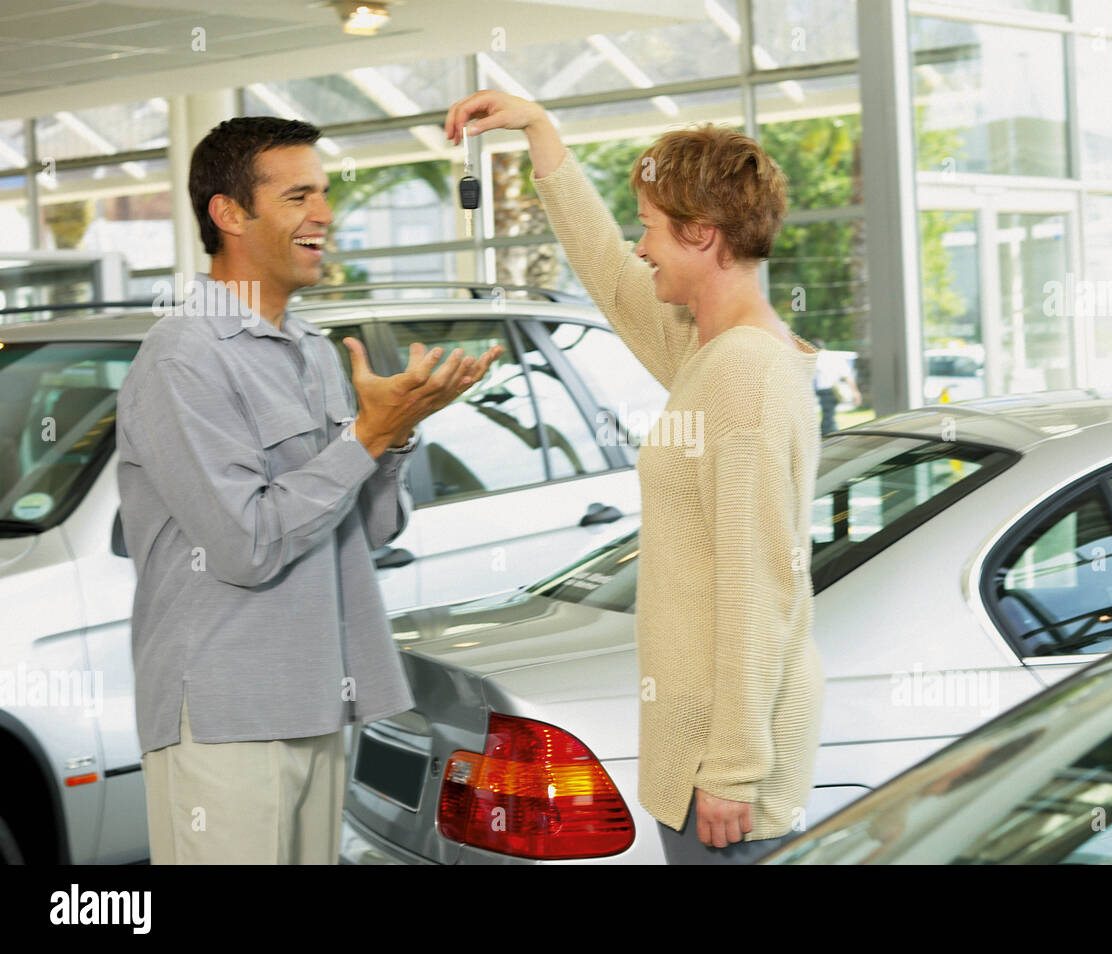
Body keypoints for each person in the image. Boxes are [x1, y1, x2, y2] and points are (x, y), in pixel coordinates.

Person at [445, 91, 825, 864]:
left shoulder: (742, 378)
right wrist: (540, 132)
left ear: (701, 234)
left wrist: (733, 769)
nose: (641, 245)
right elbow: (609, 273)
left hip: (726, 780)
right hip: (703, 762)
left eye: (650, 227)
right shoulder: (707, 348)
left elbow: (758, 583)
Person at [116, 117, 500, 864]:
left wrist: (395, 432)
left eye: (323, 193)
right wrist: (365, 437)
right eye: (299, 196)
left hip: (318, 697)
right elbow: (247, 545)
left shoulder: (317, 351)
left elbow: (372, 529)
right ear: (230, 214)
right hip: (225, 715)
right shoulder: (183, 359)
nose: (325, 213)